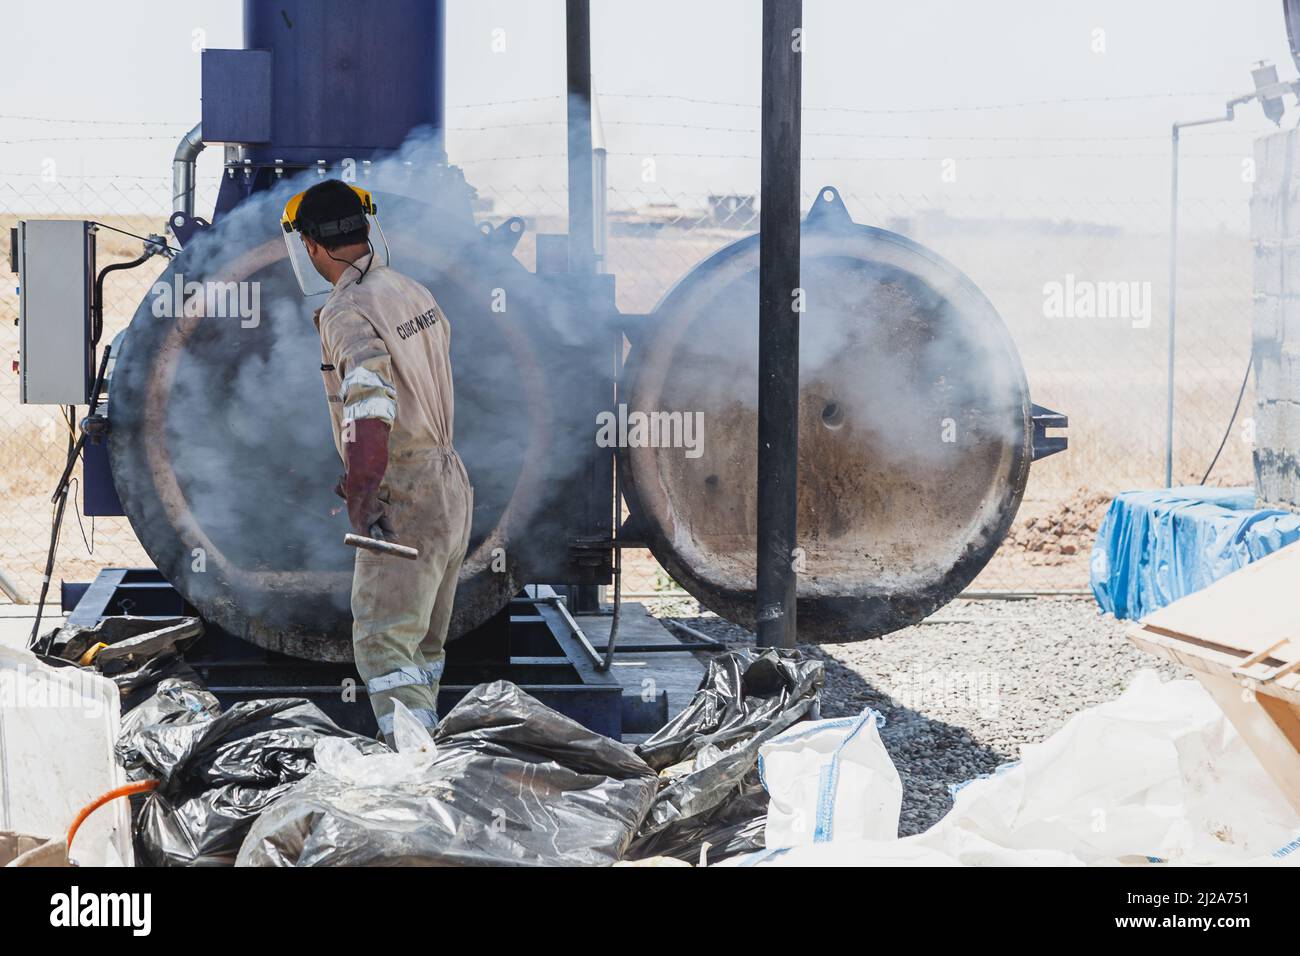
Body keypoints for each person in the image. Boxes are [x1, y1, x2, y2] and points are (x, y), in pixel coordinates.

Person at [281, 179, 472, 743]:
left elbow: (370, 403)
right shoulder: (411, 292)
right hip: (449, 483)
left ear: (311, 246)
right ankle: (428, 746)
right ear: (367, 231)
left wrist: (363, 492)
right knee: (423, 645)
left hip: (404, 492)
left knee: (385, 641)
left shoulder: (346, 311)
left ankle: (413, 774)